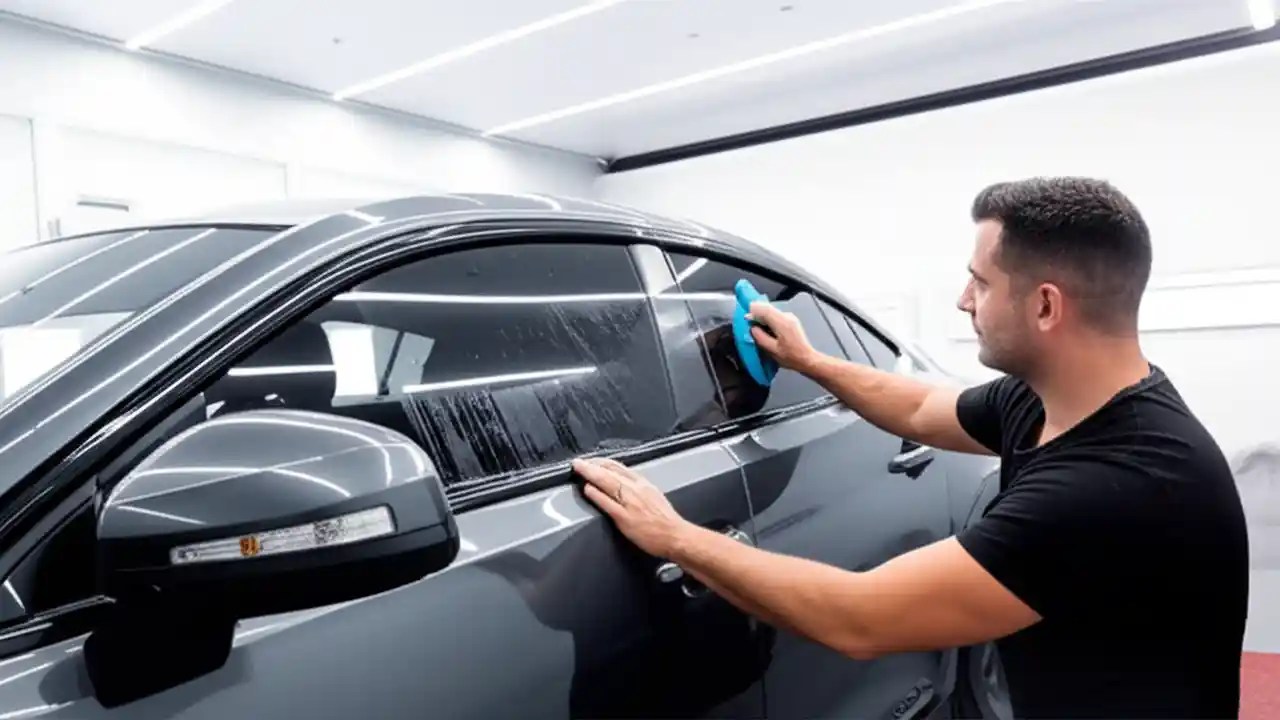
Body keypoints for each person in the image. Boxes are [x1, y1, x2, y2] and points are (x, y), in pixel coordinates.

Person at [573, 177, 1249, 719]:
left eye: (980, 282)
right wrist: (811, 360)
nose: (962, 299)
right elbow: (925, 407)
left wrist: (675, 537)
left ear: (1046, 307)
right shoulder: (1053, 399)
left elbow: (857, 616)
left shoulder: (1117, 484)